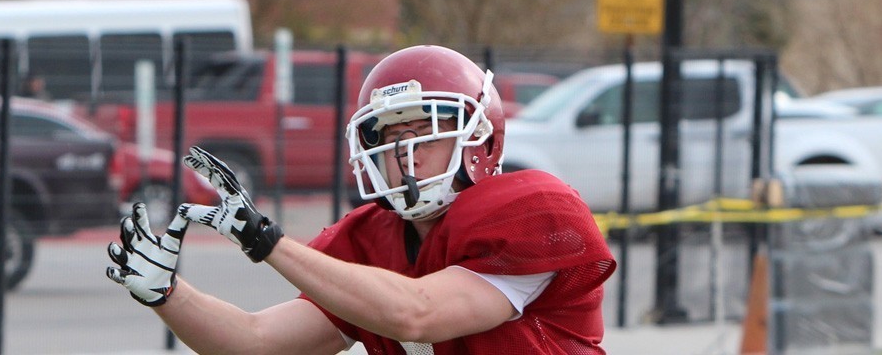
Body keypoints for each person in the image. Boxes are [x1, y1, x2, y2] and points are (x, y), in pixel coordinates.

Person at [105, 45, 617, 354]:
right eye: (388, 136)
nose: (404, 151)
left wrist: (267, 241)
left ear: (478, 139)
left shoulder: (529, 213)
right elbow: (256, 342)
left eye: (426, 131)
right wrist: (168, 294)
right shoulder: (367, 241)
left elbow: (417, 313)